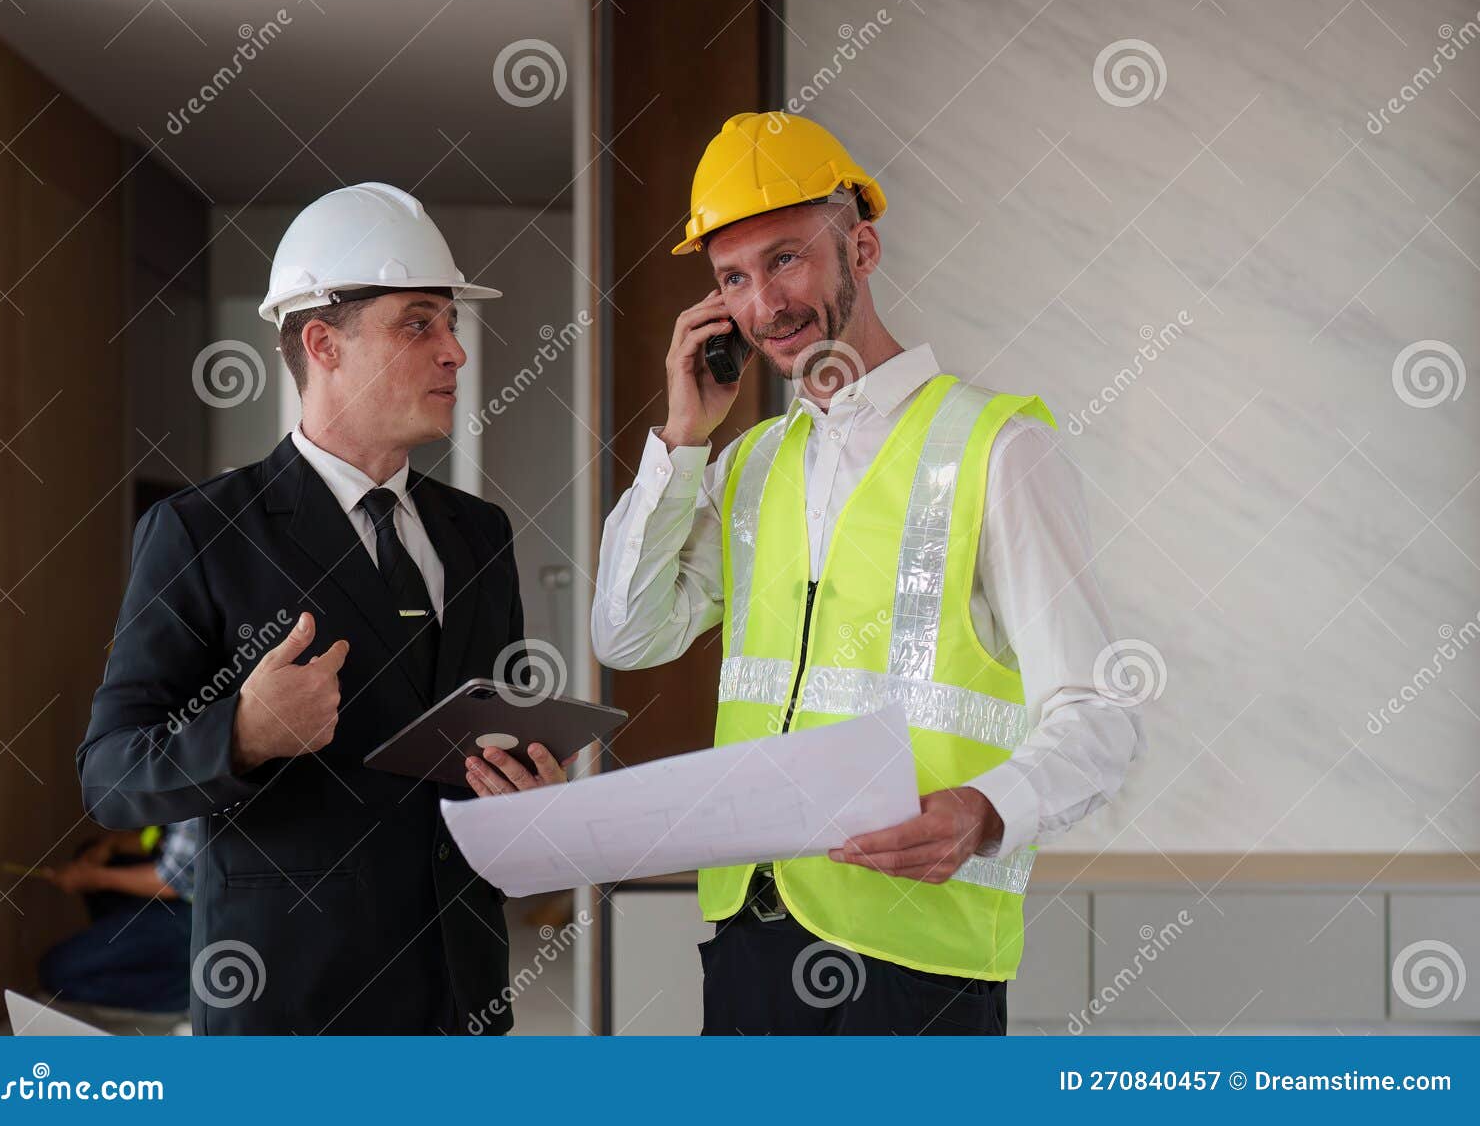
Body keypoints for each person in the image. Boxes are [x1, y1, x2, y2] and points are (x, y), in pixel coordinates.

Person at [589, 112, 1144, 1034]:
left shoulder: (996, 447)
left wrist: (984, 811)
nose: (764, 305)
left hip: (915, 959)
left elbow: (1101, 714)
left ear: (863, 248)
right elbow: (629, 632)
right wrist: (682, 442)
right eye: (734, 277)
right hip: (749, 942)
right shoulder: (751, 463)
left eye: (787, 260)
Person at [77, 182, 568, 1034]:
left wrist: (527, 795)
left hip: (462, 998)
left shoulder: (479, 533)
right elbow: (112, 775)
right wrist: (241, 734)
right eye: (420, 323)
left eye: (450, 323)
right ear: (322, 344)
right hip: (291, 1007)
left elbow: (485, 738)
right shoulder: (201, 533)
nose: (455, 351)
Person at [36, 822, 195, 1014]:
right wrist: (111, 845)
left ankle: (187, 990)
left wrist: (95, 878)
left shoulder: (199, 800)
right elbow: (164, 839)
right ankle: (137, 953)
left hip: (204, 918)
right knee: (91, 853)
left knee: (58, 974)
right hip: (186, 897)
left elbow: (172, 881)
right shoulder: (177, 801)